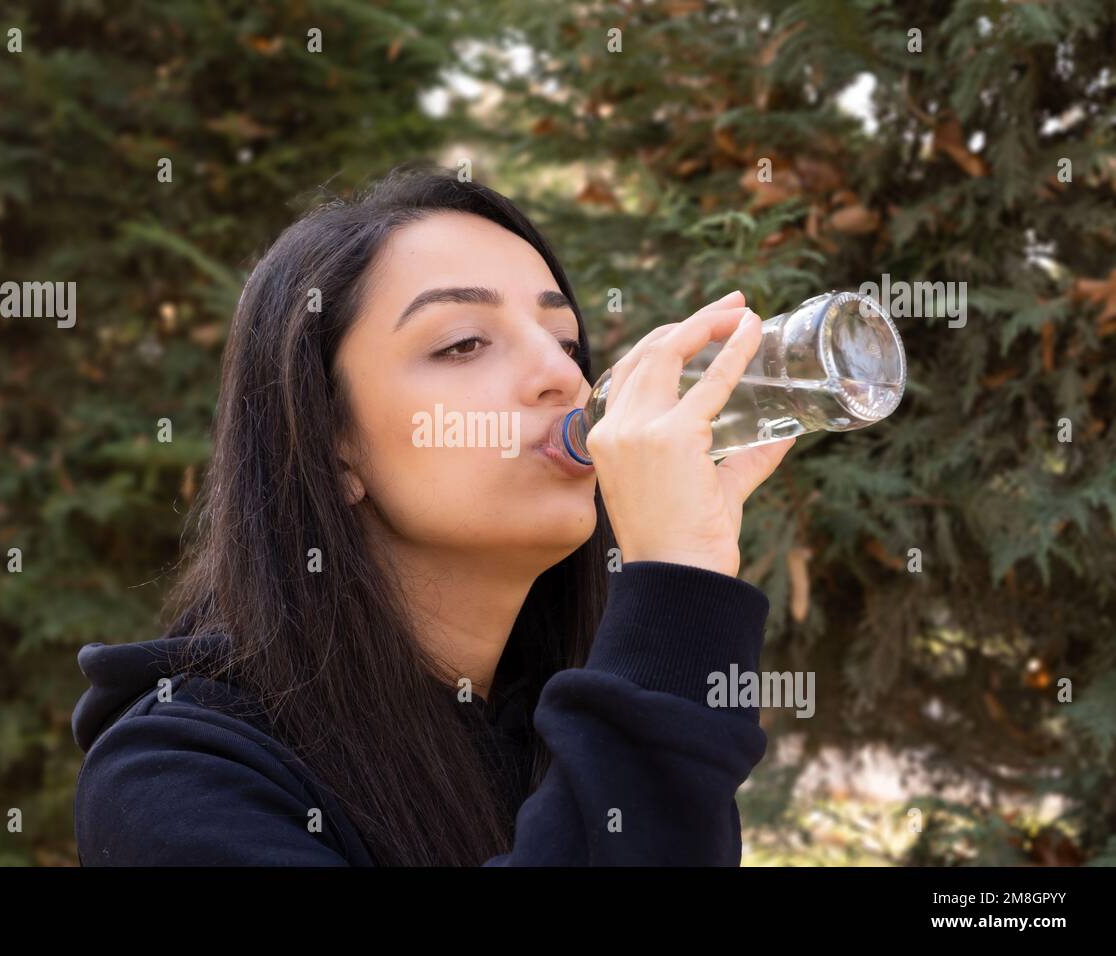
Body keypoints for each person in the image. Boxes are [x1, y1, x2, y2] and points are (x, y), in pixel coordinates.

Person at [72, 163, 795, 866]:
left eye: (566, 340)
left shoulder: (566, 726)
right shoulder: (176, 780)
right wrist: (671, 594)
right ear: (332, 447)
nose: (563, 376)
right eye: (463, 343)